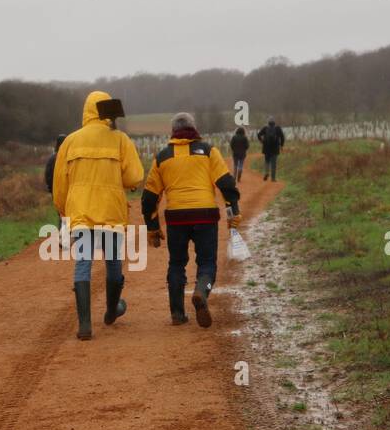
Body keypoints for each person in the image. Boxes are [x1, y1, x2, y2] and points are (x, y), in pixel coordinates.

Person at [52, 91, 144, 340]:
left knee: (83, 262)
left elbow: (59, 182)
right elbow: (135, 177)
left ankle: (84, 325)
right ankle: (112, 311)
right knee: (113, 263)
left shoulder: (71, 141)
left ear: (86, 111)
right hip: (111, 213)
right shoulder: (120, 139)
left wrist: (63, 209)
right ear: (107, 111)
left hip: (81, 213)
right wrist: (122, 182)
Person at [142, 113, 242, 327]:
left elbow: (149, 197)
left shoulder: (162, 157)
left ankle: (177, 314)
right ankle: (201, 293)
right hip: (205, 216)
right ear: (194, 128)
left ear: (173, 132)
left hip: (176, 218)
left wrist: (152, 226)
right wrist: (233, 211)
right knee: (207, 262)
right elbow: (226, 184)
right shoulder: (208, 151)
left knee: (176, 263)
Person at [257, 117, 286, 181]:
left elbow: (258, 135)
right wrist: (281, 145)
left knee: (267, 161)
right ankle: (273, 178)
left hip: (266, 148)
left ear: (268, 123)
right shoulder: (278, 128)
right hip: (275, 149)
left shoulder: (265, 128)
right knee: (274, 163)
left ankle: (267, 172)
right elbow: (282, 137)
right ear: (274, 123)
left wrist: (262, 141)